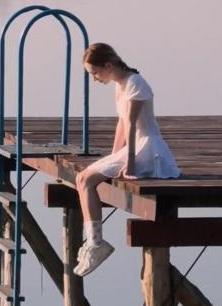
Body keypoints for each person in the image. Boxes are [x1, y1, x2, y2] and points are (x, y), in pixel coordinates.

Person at [73, 43, 180, 277]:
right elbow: (121, 123)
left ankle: (96, 243)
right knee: (81, 178)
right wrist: (113, 156)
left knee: (88, 180)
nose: (94, 79)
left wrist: (128, 164)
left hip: (147, 149)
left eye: (95, 73)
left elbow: (133, 125)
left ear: (108, 65)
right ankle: (93, 242)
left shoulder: (135, 83)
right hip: (132, 147)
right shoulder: (119, 85)